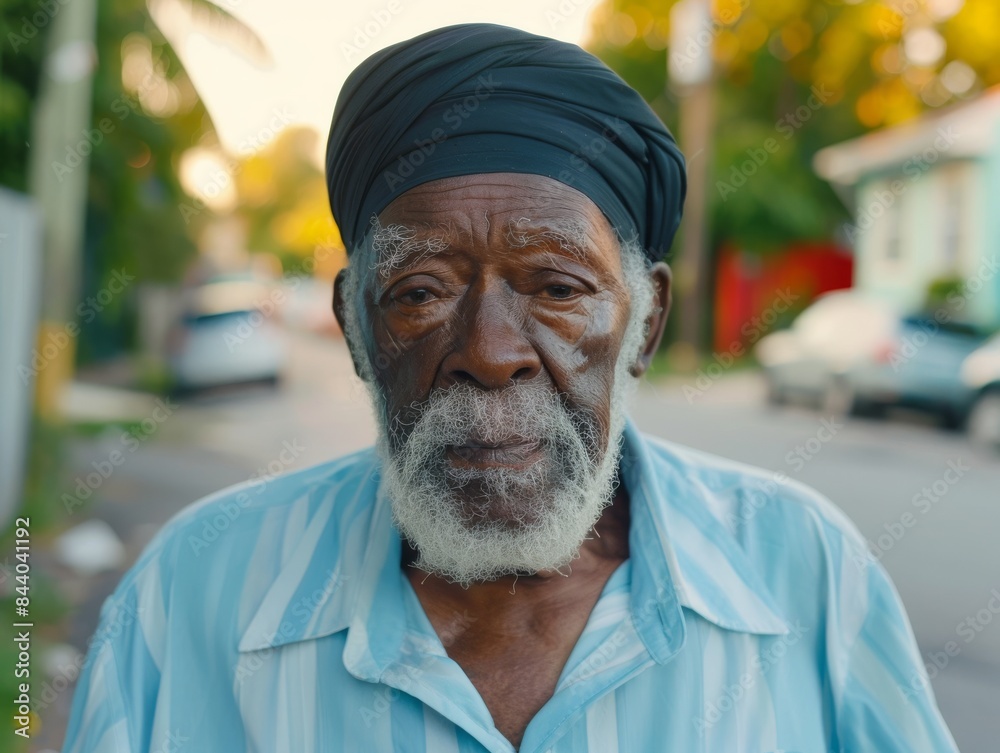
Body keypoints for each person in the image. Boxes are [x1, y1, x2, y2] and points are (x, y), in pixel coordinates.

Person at [63, 23, 958, 753]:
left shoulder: (803, 569)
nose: (490, 353)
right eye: (421, 292)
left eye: (558, 288)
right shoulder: (194, 592)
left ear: (644, 324)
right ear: (356, 328)